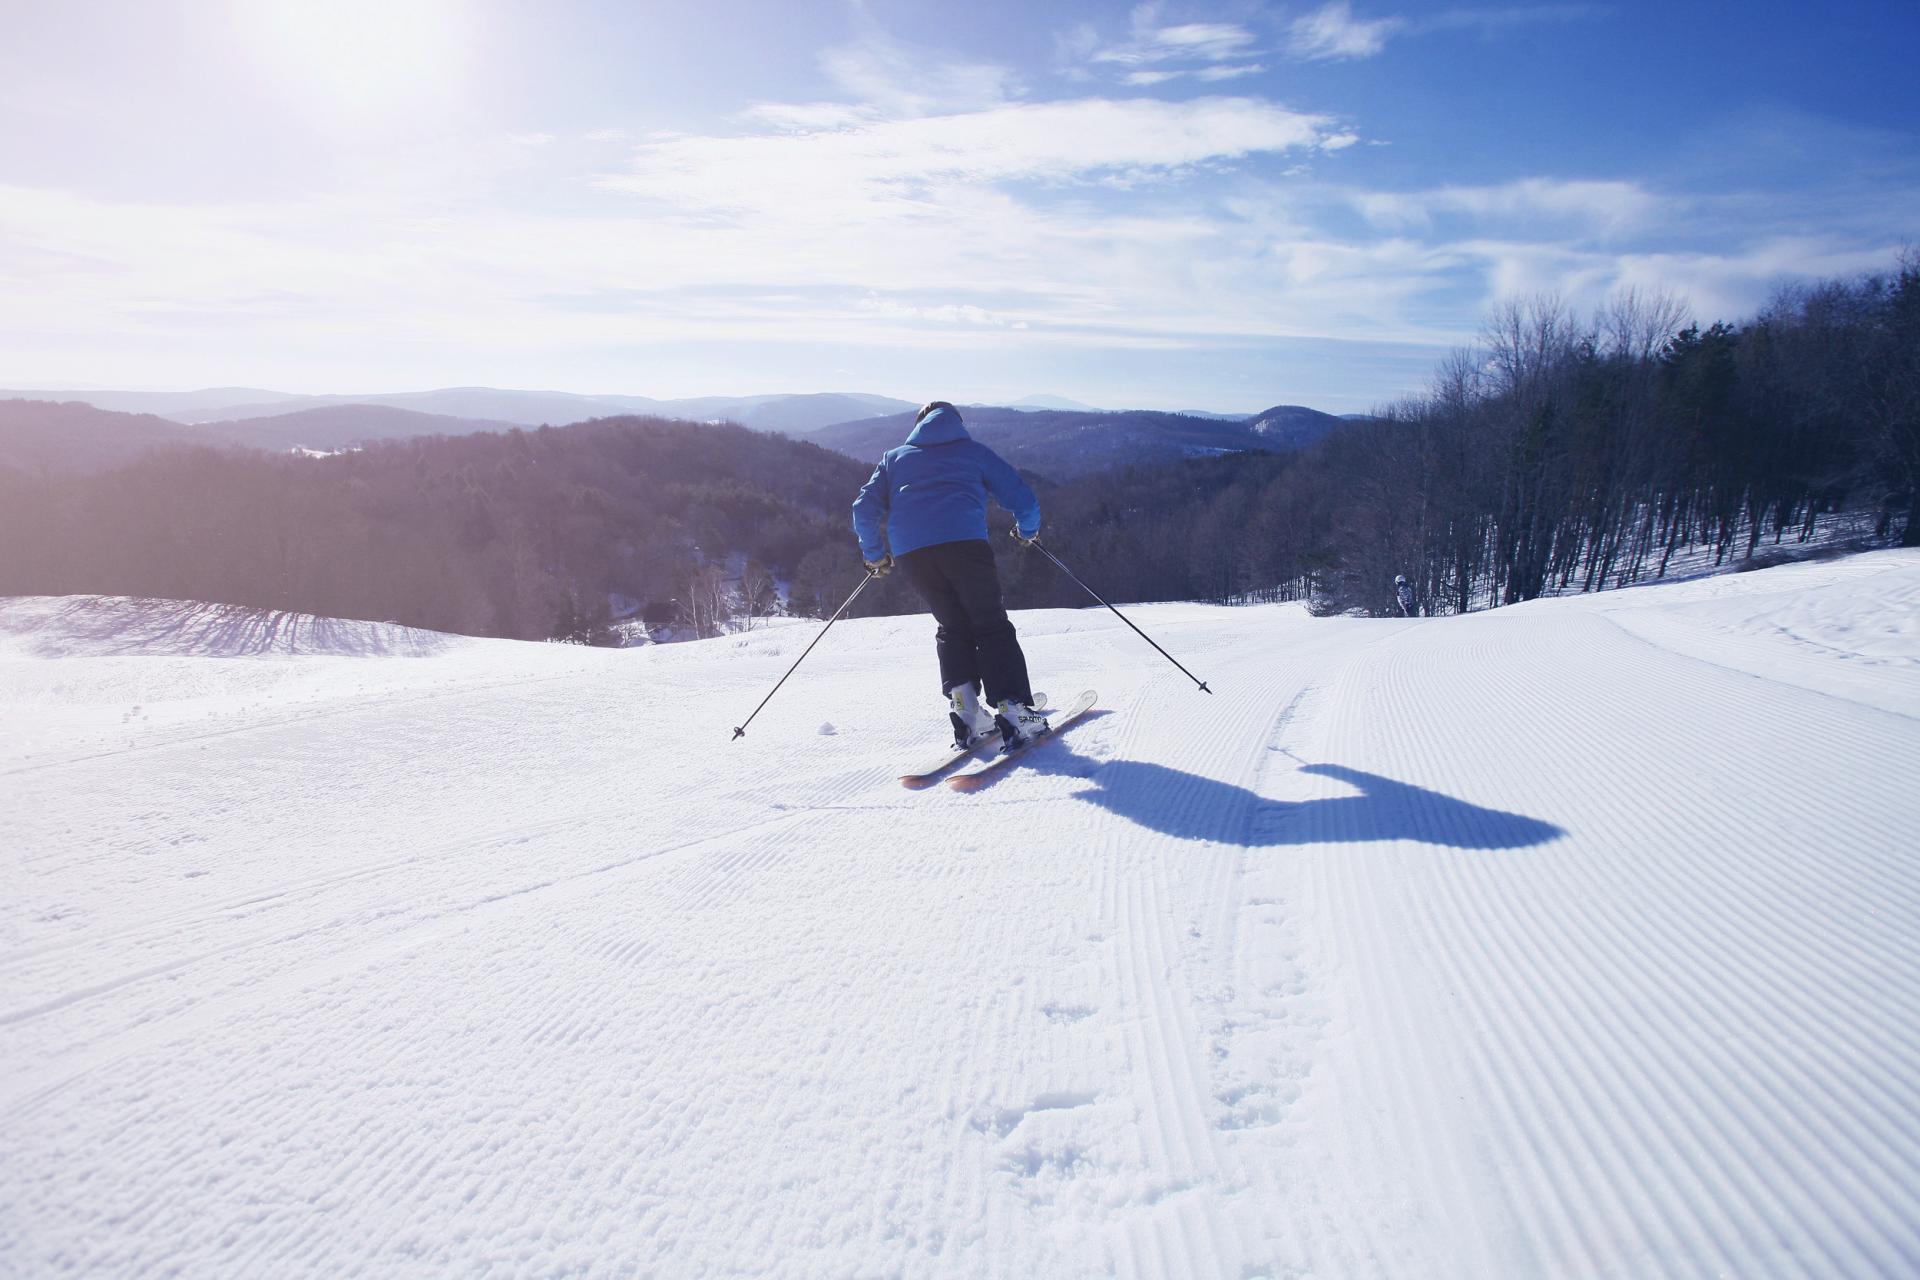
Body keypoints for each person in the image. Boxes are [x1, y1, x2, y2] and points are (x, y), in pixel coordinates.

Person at [852, 401, 1050, 750]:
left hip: (912, 554)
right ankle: (1015, 710)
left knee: (953, 625)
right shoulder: (972, 452)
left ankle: (967, 709)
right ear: (957, 423)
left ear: (918, 424)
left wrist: (875, 555)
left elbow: (863, 509)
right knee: (990, 624)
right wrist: (1028, 531)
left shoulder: (894, 458)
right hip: (965, 547)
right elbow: (1023, 497)